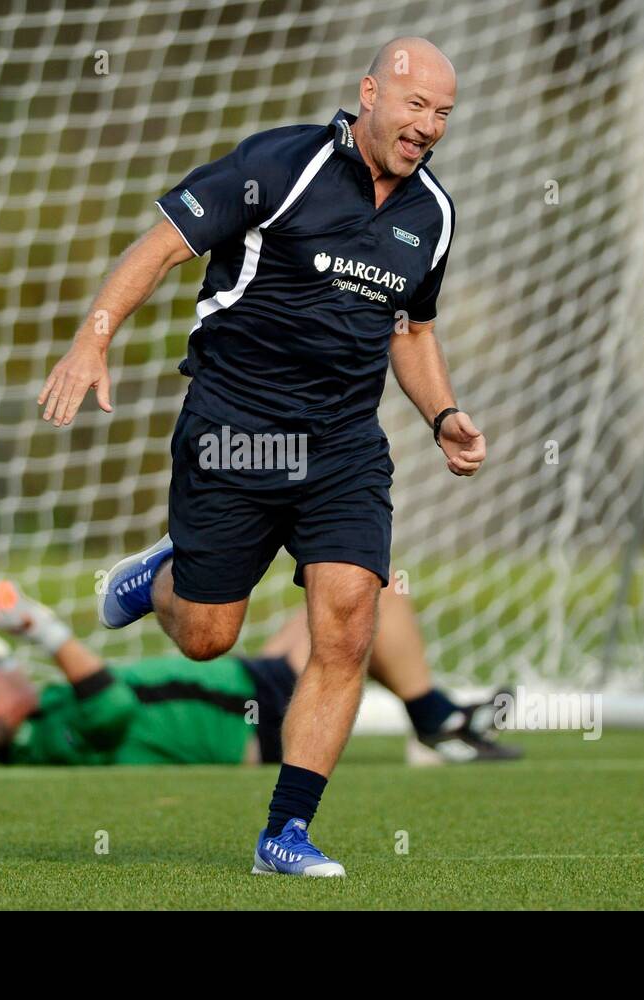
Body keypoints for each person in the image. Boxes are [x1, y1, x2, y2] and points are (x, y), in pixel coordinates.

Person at [36, 37, 477, 877]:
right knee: (207, 637)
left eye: (444, 114)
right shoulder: (280, 165)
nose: (429, 127)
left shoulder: (435, 215)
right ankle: (162, 576)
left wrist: (443, 413)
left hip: (345, 446)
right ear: (370, 93)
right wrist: (92, 343)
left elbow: (412, 329)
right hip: (234, 429)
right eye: (416, 105)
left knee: (348, 622)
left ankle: (287, 832)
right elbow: (162, 245)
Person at [0, 579, 519, 771]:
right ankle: (436, 719)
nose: (6, 676)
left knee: (336, 603)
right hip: (252, 718)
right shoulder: (52, 737)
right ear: (5, 712)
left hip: (244, 685)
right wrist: (42, 628)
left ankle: (438, 720)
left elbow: (39, 699)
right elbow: (108, 706)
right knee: (374, 594)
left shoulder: (31, 729)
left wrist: (8, 665)